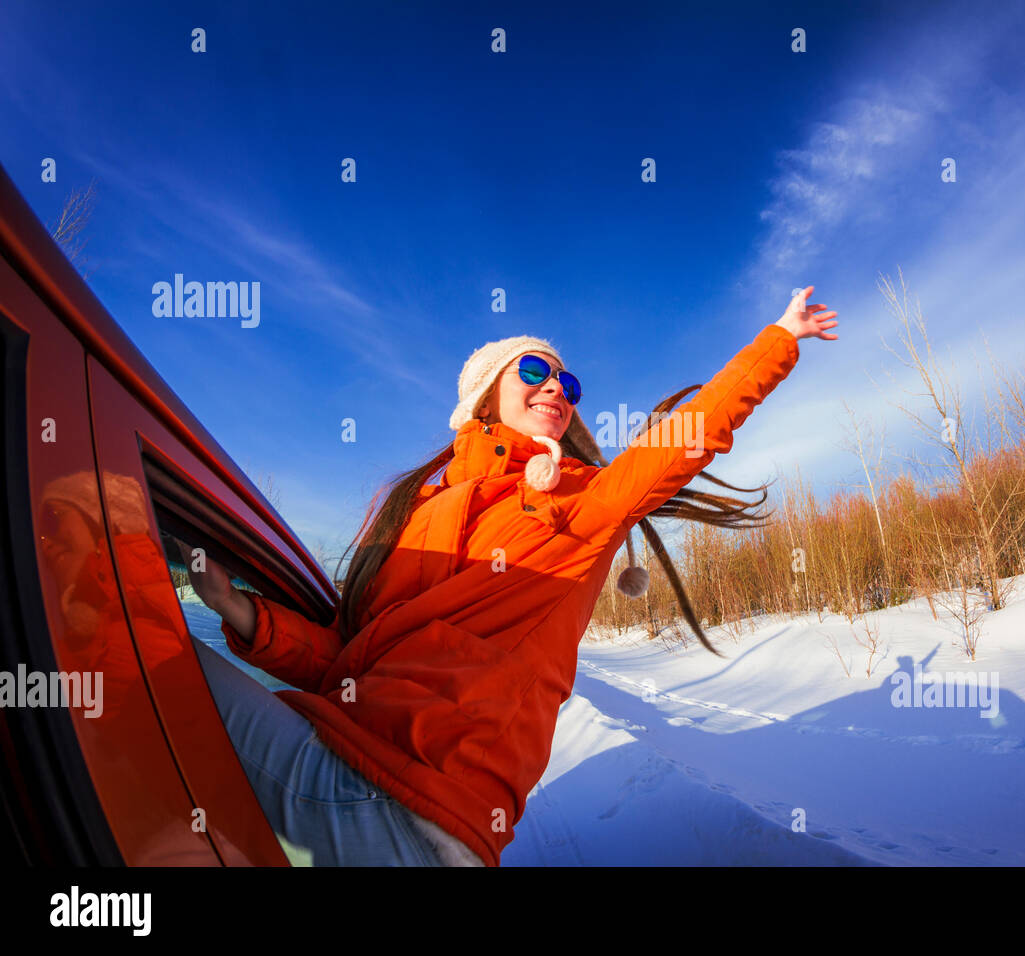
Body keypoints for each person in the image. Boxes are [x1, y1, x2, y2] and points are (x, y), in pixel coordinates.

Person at [186, 285, 838, 866]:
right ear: (483, 399)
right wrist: (243, 614)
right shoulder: (417, 509)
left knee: (150, 662)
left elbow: (684, 438)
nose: (557, 388)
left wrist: (779, 340)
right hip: (351, 778)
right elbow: (353, 659)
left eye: (568, 384)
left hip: (405, 810)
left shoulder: (579, 501)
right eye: (535, 371)